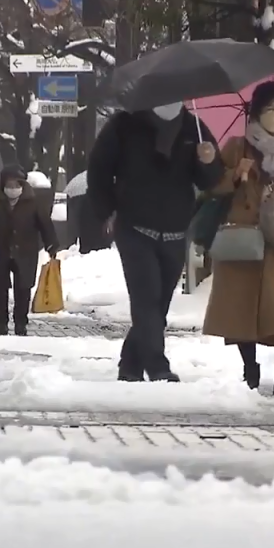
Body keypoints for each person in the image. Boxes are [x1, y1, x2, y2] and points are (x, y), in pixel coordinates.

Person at [87, 102, 223, 382]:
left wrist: (208, 162)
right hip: (134, 226)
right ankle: (157, 365)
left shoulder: (193, 128)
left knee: (159, 303)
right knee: (146, 297)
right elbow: (99, 169)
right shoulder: (124, 124)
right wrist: (106, 209)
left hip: (175, 230)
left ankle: (130, 364)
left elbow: (210, 181)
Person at [201, 81, 274, 396]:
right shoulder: (236, 148)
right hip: (243, 238)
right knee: (241, 308)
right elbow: (213, 189)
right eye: (268, 109)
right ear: (255, 113)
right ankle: (249, 368)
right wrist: (235, 175)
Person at [0, 166, 59, 336]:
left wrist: (51, 244)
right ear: (3, 185)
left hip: (25, 251)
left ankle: (20, 322)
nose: (13, 188)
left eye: (17, 184)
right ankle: (1, 322)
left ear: (22, 184)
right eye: (9, 184)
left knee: (23, 288)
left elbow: (45, 224)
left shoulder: (33, 201)